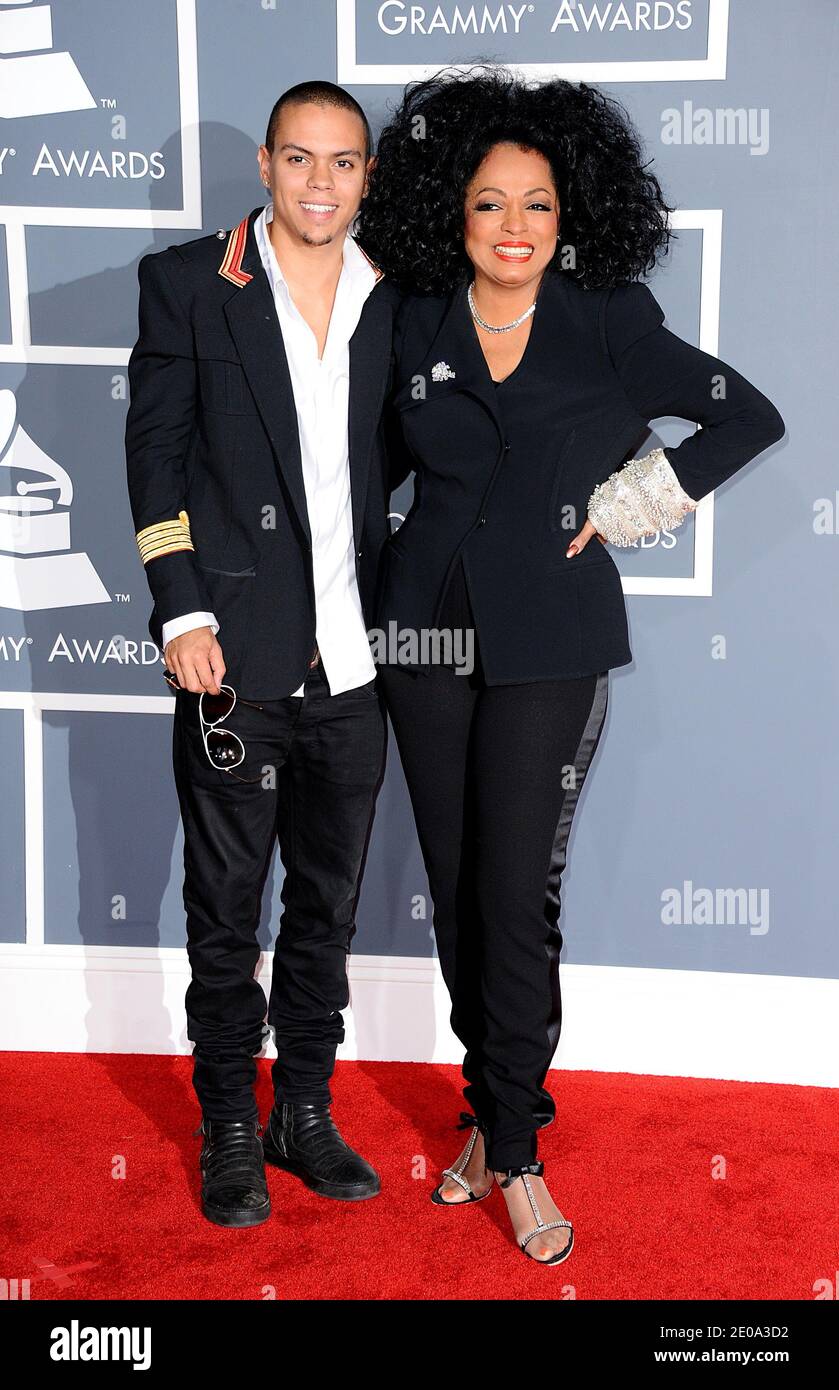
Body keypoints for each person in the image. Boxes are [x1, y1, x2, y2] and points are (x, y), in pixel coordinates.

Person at [357, 66, 785, 1264]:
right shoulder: (412, 315)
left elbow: (744, 415)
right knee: (455, 892)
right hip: (421, 632)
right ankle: (487, 1124)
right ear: (452, 212)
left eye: (534, 204)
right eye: (487, 203)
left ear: (570, 211)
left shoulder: (609, 316)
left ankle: (519, 1144)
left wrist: (637, 497)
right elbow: (364, 465)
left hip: (551, 640)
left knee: (514, 896)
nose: (510, 227)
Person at [125, 82, 401, 1227]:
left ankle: (304, 1108)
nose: (319, 184)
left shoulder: (402, 295)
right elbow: (155, 456)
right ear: (264, 163)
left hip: (359, 664)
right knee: (227, 910)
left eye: (342, 164)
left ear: (366, 176)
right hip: (235, 658)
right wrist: (181, 610)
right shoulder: (191, 284)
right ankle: (229, 1125)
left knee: (327, 912)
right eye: (300, 160)